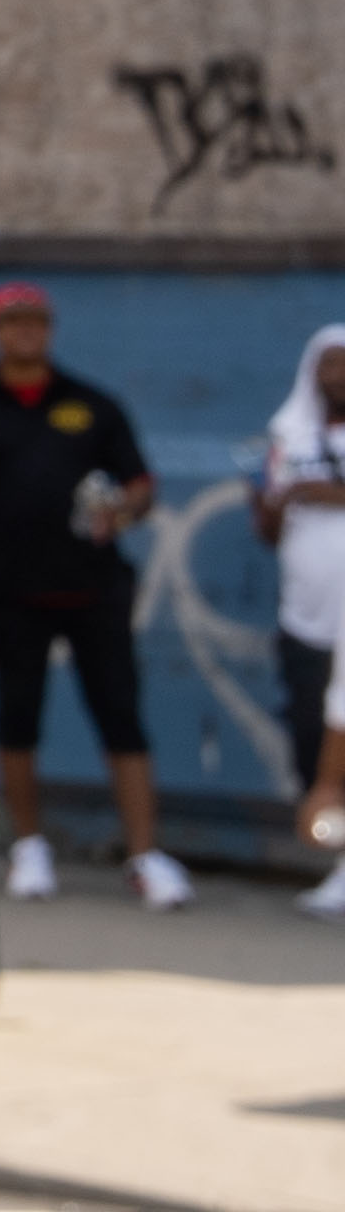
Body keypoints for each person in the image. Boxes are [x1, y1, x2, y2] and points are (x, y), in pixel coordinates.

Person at [0, 282, 185, 911]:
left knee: (121, 717)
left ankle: (144, 854)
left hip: (94, 589)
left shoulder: (92, 405)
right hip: (11, 591)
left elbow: (141, 487)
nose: (25, 332)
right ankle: (29, 847)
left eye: (36, 321)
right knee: (17, 719)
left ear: (50, 329)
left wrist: (121, 511)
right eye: (13, 322)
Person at [264, 323, 345, 911]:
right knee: (310, 734)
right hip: (305, 612)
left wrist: (328, 494)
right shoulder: (288, 435)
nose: (337, 376)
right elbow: (268, 528)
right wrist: (273, 503)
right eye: (328, 364)